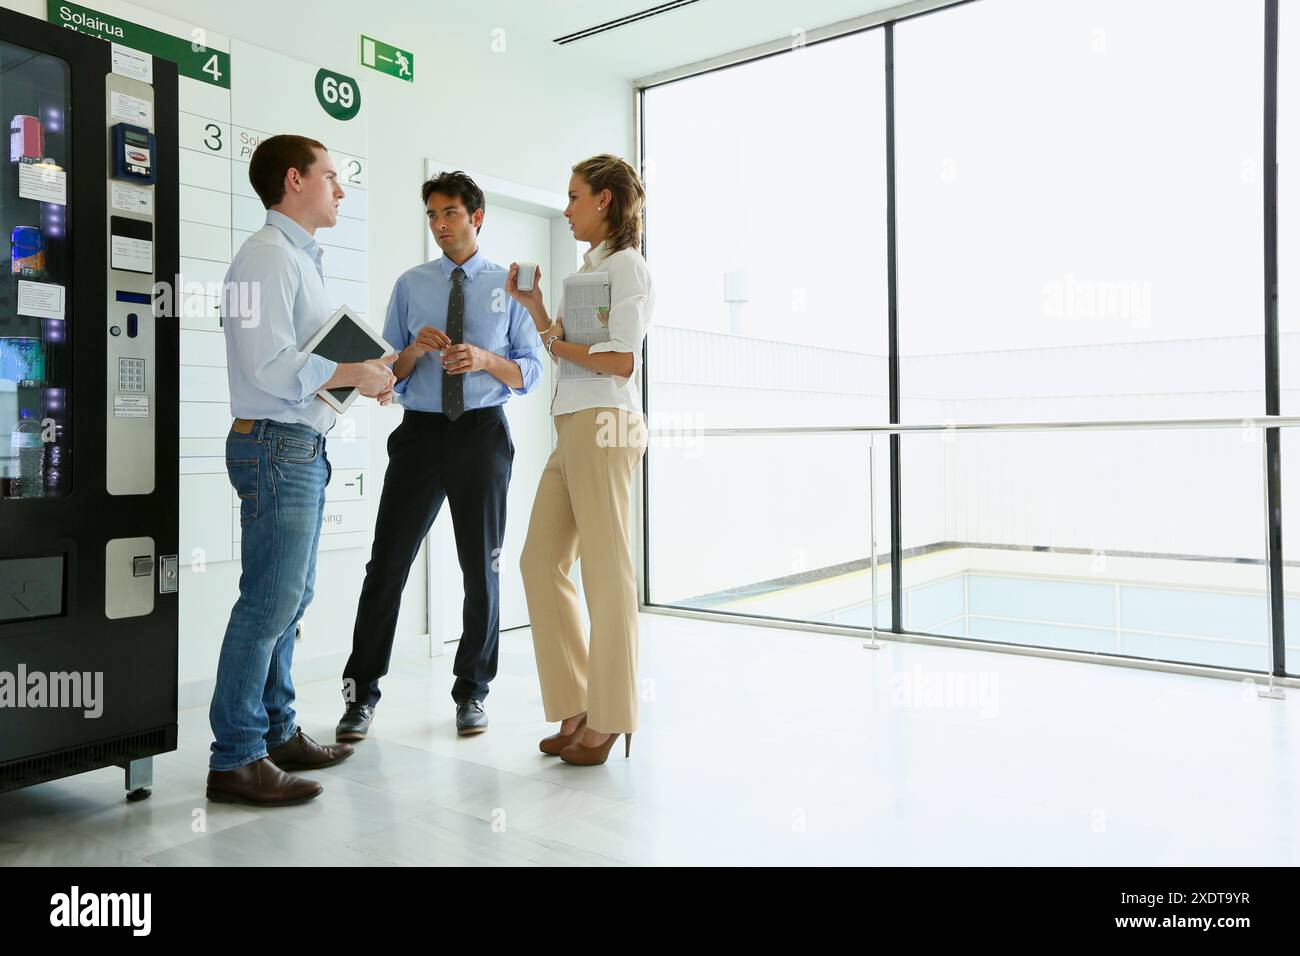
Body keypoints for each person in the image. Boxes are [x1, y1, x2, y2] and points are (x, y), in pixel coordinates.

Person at [206, 134, 397, 806]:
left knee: (290, 602)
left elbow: (299, 363)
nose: (340, 189)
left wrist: (360, 378)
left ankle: (277, 731)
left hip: (299, 444)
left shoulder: (298, 261)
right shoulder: (265, 258)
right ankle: (235, 757)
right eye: (330, 177)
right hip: (275, 446)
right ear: (294, 181)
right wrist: (351, 370)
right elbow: (267, 366)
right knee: (267, 605)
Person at [337, 171, 543, 741]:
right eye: (432, 215)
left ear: (477, 217)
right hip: (420, 434)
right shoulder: (410, 284)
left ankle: (472, 691)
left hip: (481, 434)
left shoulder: (510, 286)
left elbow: (529, 370)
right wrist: (409, 351)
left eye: (450, 213)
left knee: (482, 568)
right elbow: (385, 374)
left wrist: (482, 358)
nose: (440, 225)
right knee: (386, 566)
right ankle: (360, 696)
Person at [506, 154, 653, 766]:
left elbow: (619, 361)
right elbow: (565, 352)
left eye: (574, 198)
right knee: (540, 561)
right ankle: (577, 704)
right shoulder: (587, 271)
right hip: (572, 426)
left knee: (606, 569)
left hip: (607, 425)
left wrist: (563, 341)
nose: (566, 210)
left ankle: (613, 716)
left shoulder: (628, 269)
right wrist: (536, 305)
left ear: (606, 201)